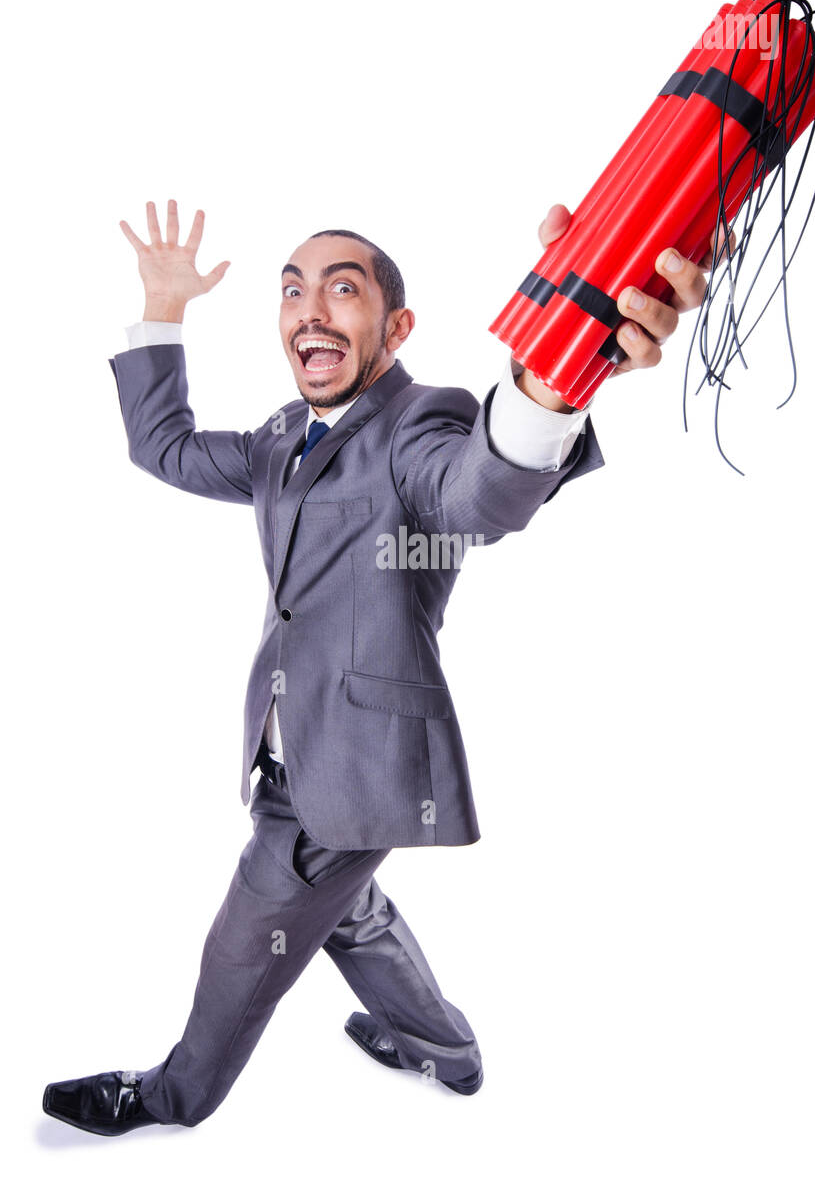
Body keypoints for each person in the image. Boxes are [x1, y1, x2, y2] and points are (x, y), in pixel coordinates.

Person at [42, 199, 715, 1135]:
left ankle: (168, 1097)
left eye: (342, 289)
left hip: (354, 755)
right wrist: (163, 311)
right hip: (292, 748)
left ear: (395, 327)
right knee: (350, 914)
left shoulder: (417, 426)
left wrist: (548, 384)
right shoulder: (283, 438)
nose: (310, 309)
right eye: (294, 290)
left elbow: (478, 494)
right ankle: (445, 1047)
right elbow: (163, 448)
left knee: (245, 945)